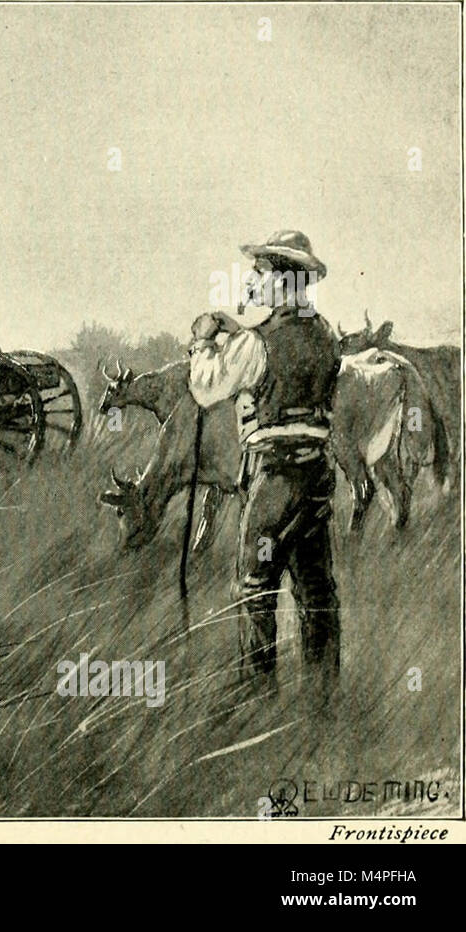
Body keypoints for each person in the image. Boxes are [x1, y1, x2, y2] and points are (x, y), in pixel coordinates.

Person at [186, 230, 341, 708]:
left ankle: (257, 695)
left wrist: (203, 342)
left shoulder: (256, 343)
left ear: (284, 281)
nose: (252, 281)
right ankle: (323, 692)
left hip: (274, 477)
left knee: (255, 585)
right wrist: (241, 335)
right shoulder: (326, 335)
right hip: (316, 474)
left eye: (260, 274)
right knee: (316, 586)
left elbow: (207, 390)